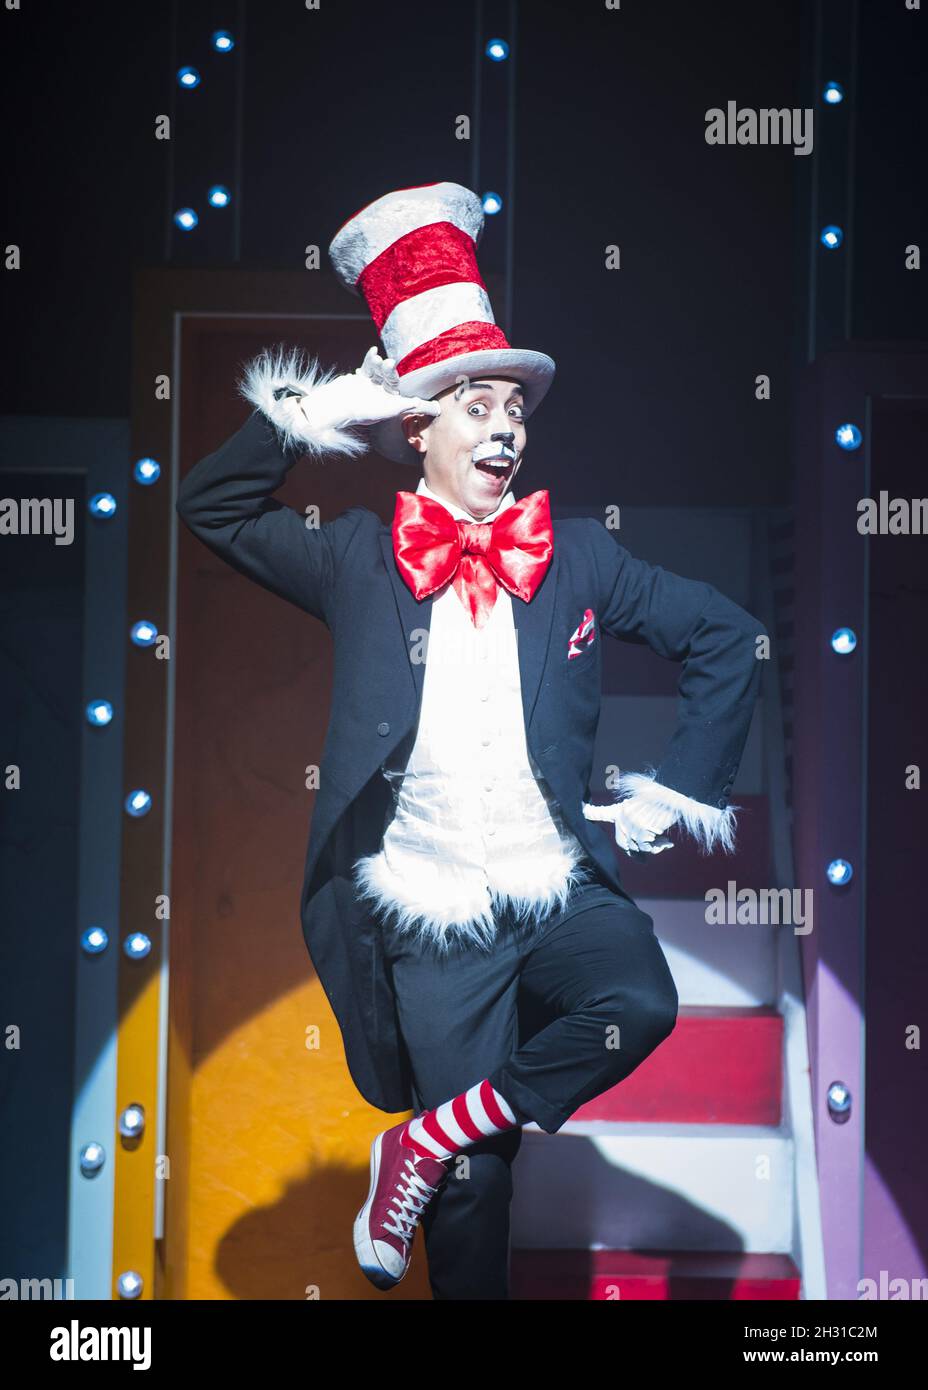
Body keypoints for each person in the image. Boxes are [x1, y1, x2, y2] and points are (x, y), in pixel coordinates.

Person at [177, 182, 767, 1299]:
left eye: (514, 409)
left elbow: (726, 638)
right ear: (418, 428)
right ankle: (446, 1154)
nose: (504, 428)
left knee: (636, 1002)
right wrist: (330, 402)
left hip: (552, 888)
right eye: (476, 406)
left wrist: (680, 784)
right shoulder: (355, 558)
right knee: (476, 1189)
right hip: (430, 909)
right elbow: (212, 507)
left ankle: (426, 1134)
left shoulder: (581, 558)